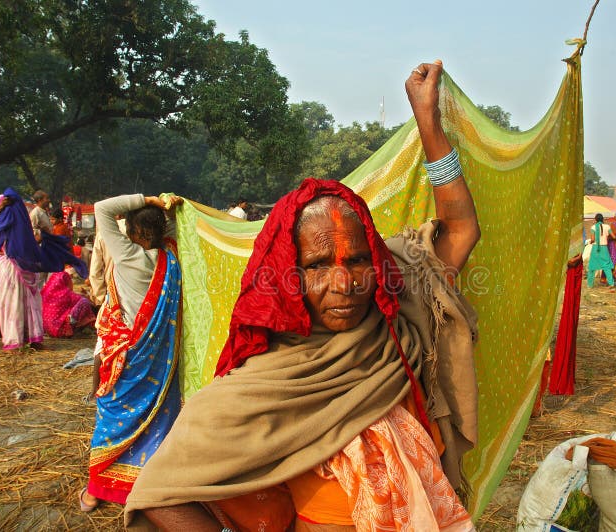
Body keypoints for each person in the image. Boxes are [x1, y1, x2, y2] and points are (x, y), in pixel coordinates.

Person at [125, 61, 480, 530]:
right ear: (285, 277)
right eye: (316, 266)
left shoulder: (396, 317)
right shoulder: (252, 393)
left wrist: (427, 120)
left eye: (356, 261)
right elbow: (159, 494)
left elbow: (460, 227)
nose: (344, 283)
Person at [79, 193, 183, 513]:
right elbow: (178, 229)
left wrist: (146, 198)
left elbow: (102, 208)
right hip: (158, 360)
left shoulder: (125, 255)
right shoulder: (172, 260)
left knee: (112, 415)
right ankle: (147, 479)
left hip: (127, 353)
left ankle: (96, 490)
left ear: (136, 235)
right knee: (156, 419)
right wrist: (173, 209)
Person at [0, 195, 45, 351]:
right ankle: (14, 340)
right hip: (7, 266)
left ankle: (31, 338)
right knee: (12, 303)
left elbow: (28, 242)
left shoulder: (17, 225)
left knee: (28, 302)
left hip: (22, 265)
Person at [41, 270, 95, 338]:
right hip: (61, 330)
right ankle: (76, 328)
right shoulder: (66, 294)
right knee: (84, 302)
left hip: (47, 329)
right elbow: (81, 299)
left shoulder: (45, 292)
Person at [586, 214, 616, 290]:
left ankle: (590, 285)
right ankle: (611, 283)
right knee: (607, 267)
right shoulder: (607, 226)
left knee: (592, 267)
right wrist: (606, 237)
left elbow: (593, 239)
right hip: (604, 249)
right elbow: (614, 237)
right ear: (602, 220)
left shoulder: (593, 227)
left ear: (595, 220)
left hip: (596, 249)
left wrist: (590, 242)